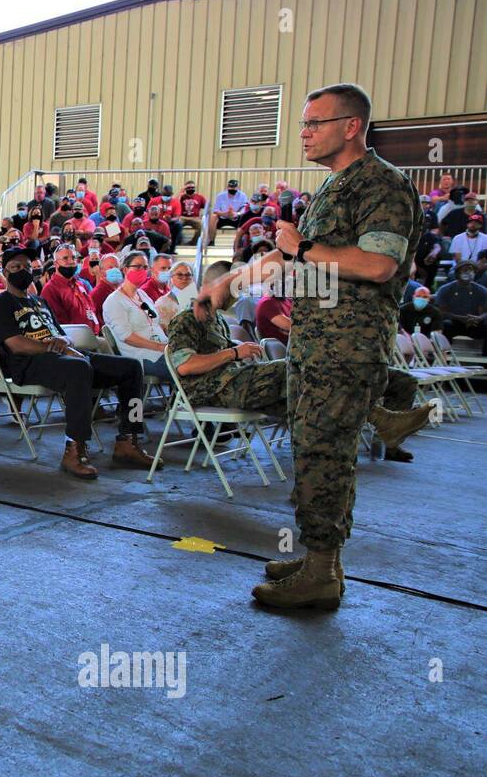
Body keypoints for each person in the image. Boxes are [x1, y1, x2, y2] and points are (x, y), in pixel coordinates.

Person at [203, 84, 425, 608]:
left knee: (326, 451)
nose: (303, 133)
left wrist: (299, 244)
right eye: (302, 123)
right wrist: (228, 284)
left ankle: (322, 572)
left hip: (346, 348)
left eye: (314, 123)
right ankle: (320, 557)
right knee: (313, 449)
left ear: (351, 126)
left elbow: (377, 265)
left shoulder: (381, 185)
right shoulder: (332, 188)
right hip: (314, 345)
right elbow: (291, 262)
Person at [174, 262, 430, 462]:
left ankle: (333, 462)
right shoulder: (187, 320)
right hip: (210, 390)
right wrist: (232, 354)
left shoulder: (216, 320)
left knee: (314, 406)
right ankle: (380, 419)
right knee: (291, 370)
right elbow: (184, 367)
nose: (237, 294)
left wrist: (237, 352)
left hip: (233, 384)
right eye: (234, 288)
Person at [0, 248, 158, 478]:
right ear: (5, 272)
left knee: (130, 367)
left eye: (27, 267)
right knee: (78, 369)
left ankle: (129, 438)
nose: (23, 271)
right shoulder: (2, 303)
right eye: (16, 267)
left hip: (65, 357)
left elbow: (62, 334)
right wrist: (54, 346)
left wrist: (64, 343)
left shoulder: (39, 302)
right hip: (29, 364)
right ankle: (74, 449)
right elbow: (15, 344)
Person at [102, 250, 170, 380]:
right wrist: (159, 347)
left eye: (145, 267)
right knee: (188, 369)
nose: (142, 270)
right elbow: (127, 336)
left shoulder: (142, 295)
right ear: (126, 269)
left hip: (163, 349)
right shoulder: (114, 301)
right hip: (142, 356)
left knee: (195, 362)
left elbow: (154, 320)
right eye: (138, 266)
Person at [433, 261, 487, 352]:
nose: (468, 272)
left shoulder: (482, 290)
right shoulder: (445, 289)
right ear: (458, 273)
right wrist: (460, 318)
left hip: (474, 324)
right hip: (454, 323)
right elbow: (441, 312)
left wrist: (479, 318)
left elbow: (485, 312)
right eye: (465, 270)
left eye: (471, 270)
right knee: (445, 324)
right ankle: (445, 354)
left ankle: (485, 359)